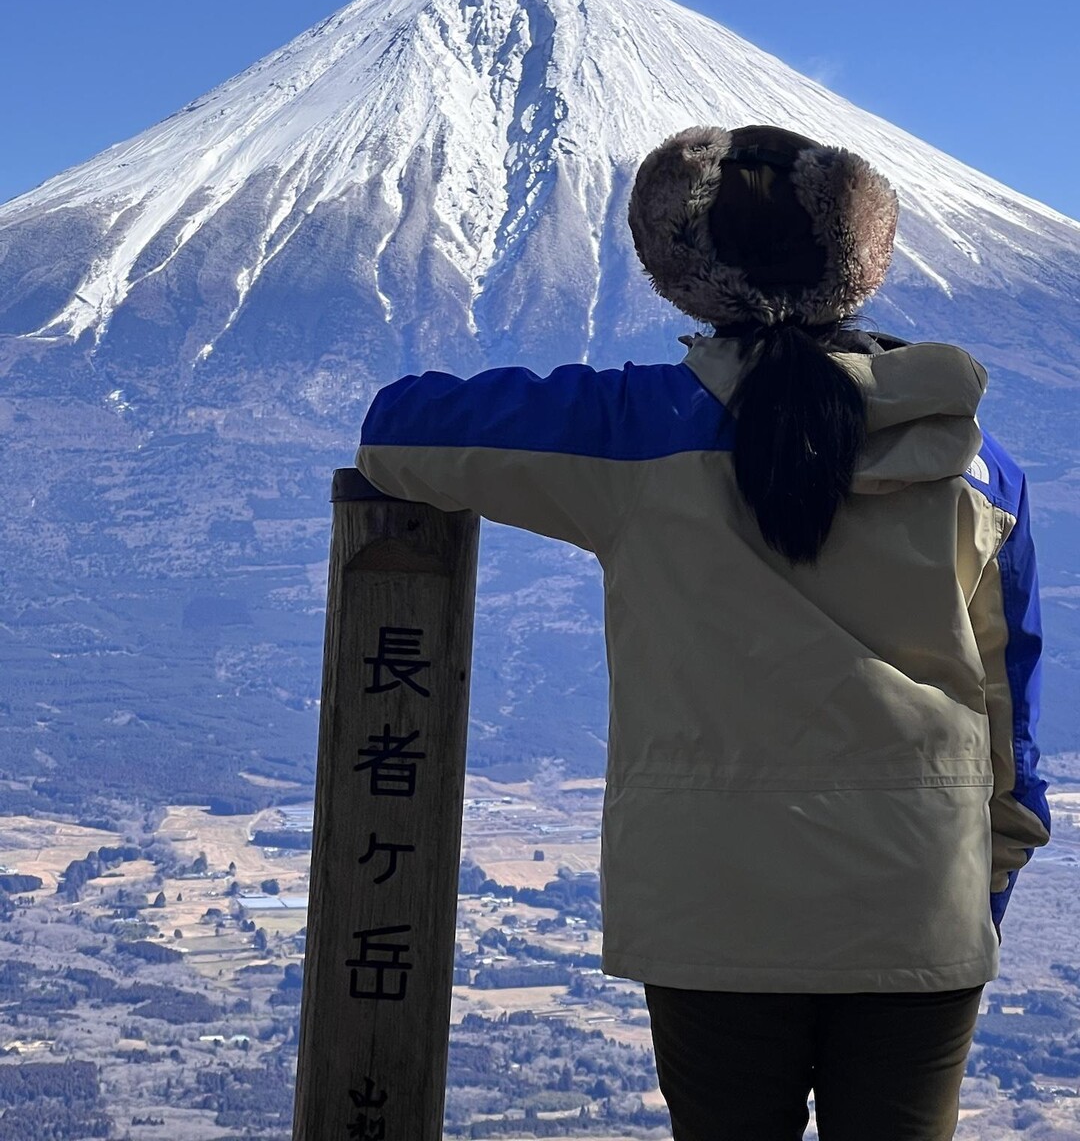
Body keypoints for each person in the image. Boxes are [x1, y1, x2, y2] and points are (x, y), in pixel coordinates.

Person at [354, 123, 1052, 1141]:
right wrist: (979, 891)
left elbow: (397, 431)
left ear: (688, 273)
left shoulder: (635, 429)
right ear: (859, 264)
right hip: (919, 897)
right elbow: (1007, 713)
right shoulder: (981, 469)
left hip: (711, 906)